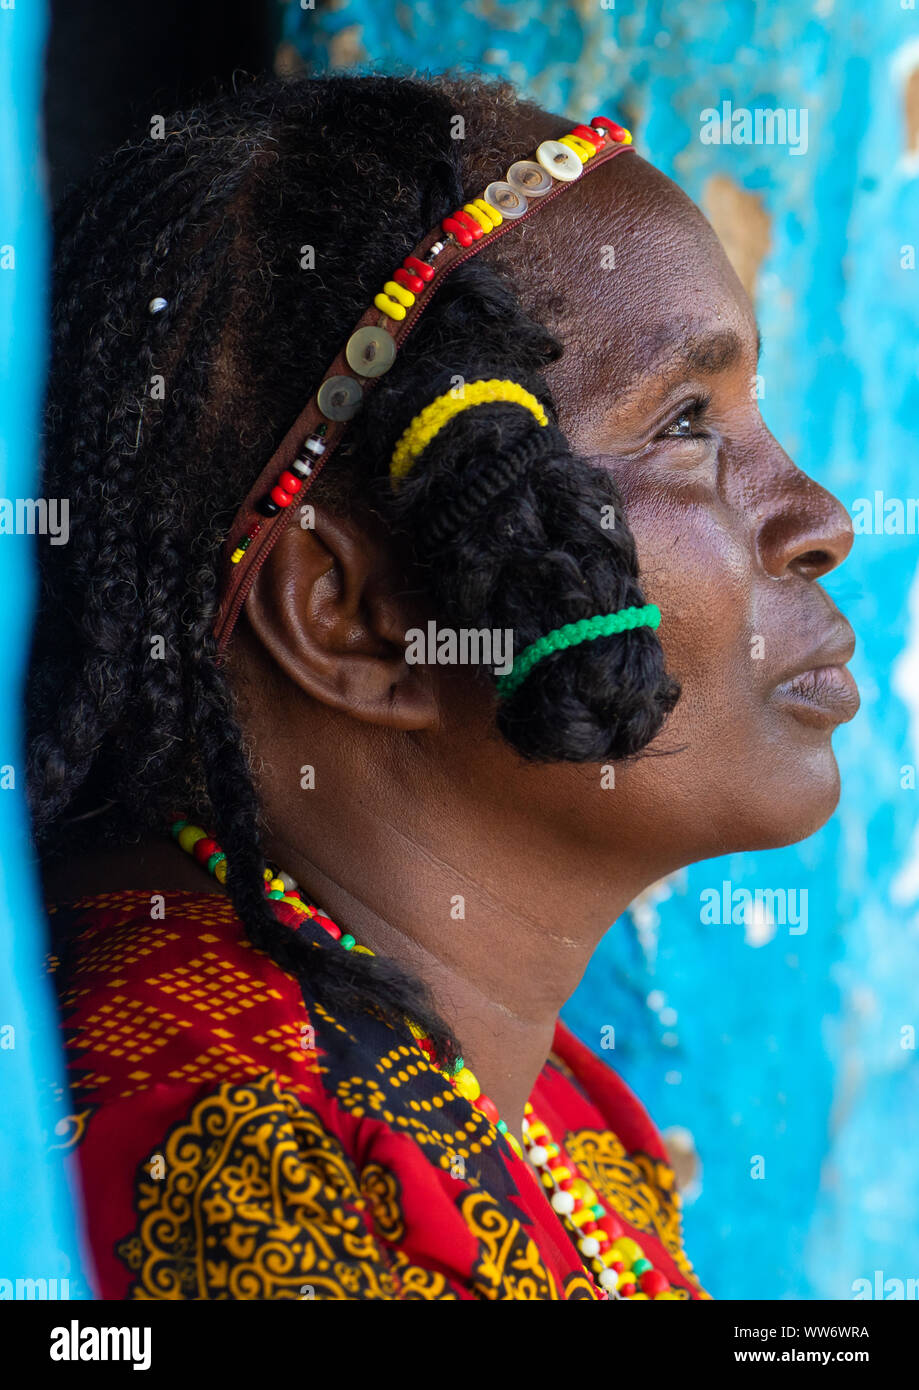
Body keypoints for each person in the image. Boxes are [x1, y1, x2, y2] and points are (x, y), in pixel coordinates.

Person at [30, 72, 857, 1301]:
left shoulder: (539, 1108)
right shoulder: (225, 1162)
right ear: (349, 616)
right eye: (685, 422)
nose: (818, 521)